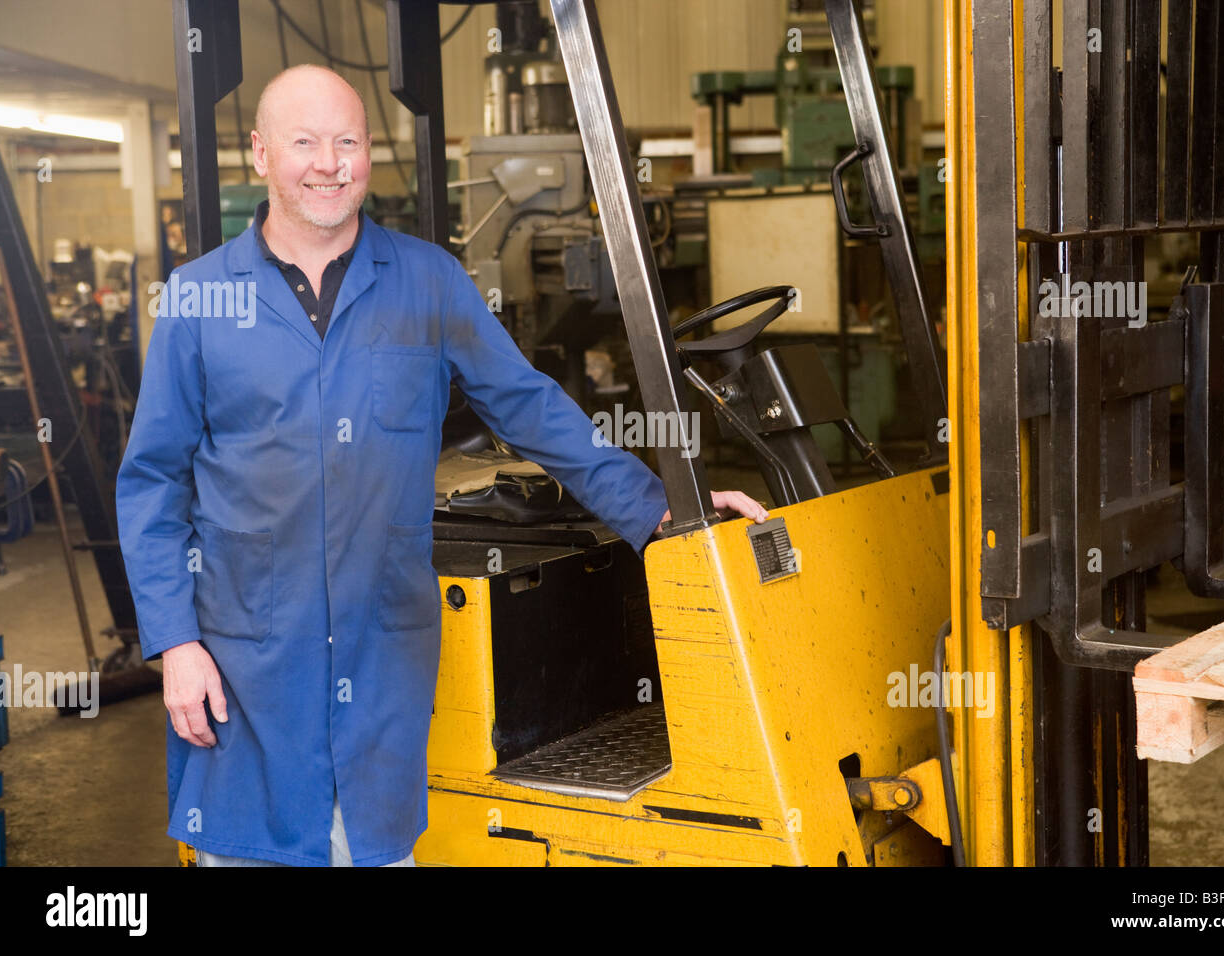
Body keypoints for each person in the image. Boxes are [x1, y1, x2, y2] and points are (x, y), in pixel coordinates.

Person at [116, 65, 767, 867]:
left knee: (376, 852)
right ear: (260, 155)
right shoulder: (197, 299)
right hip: (245, 665)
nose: (330, 163)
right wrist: (175, 642)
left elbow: (527, 404)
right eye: (305, 143)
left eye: (348, 142)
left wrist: (658, 506)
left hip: (381, 652)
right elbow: (151, 484)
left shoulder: (427, 283)